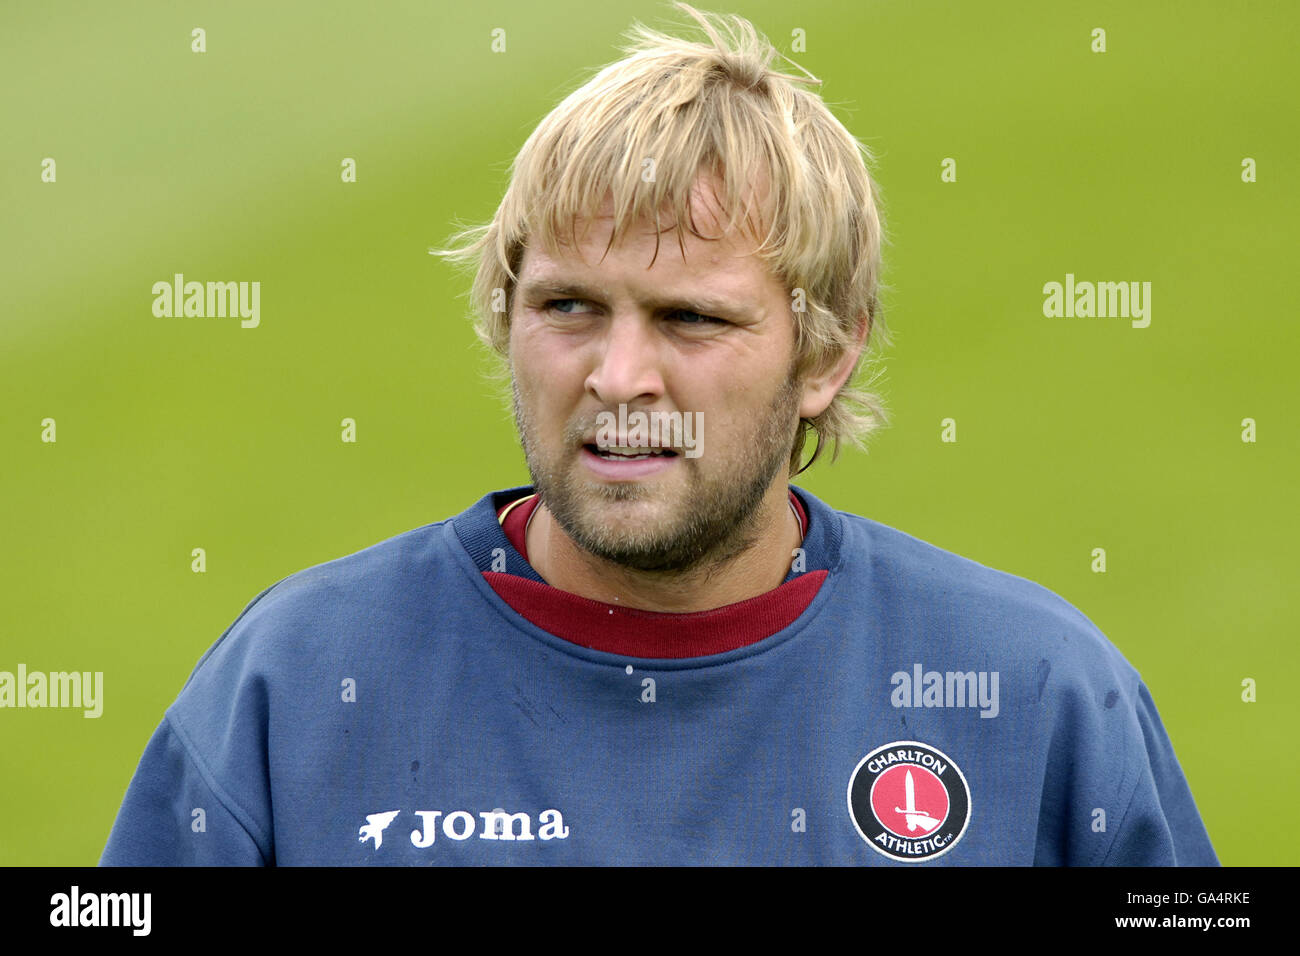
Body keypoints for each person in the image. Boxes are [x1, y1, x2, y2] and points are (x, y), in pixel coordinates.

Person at [100, 3, 1217, 866]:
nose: (618, 376)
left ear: (825, 355)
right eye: (567, 306)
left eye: (691, 317)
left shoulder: (1038, 692)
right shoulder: (295, 682)